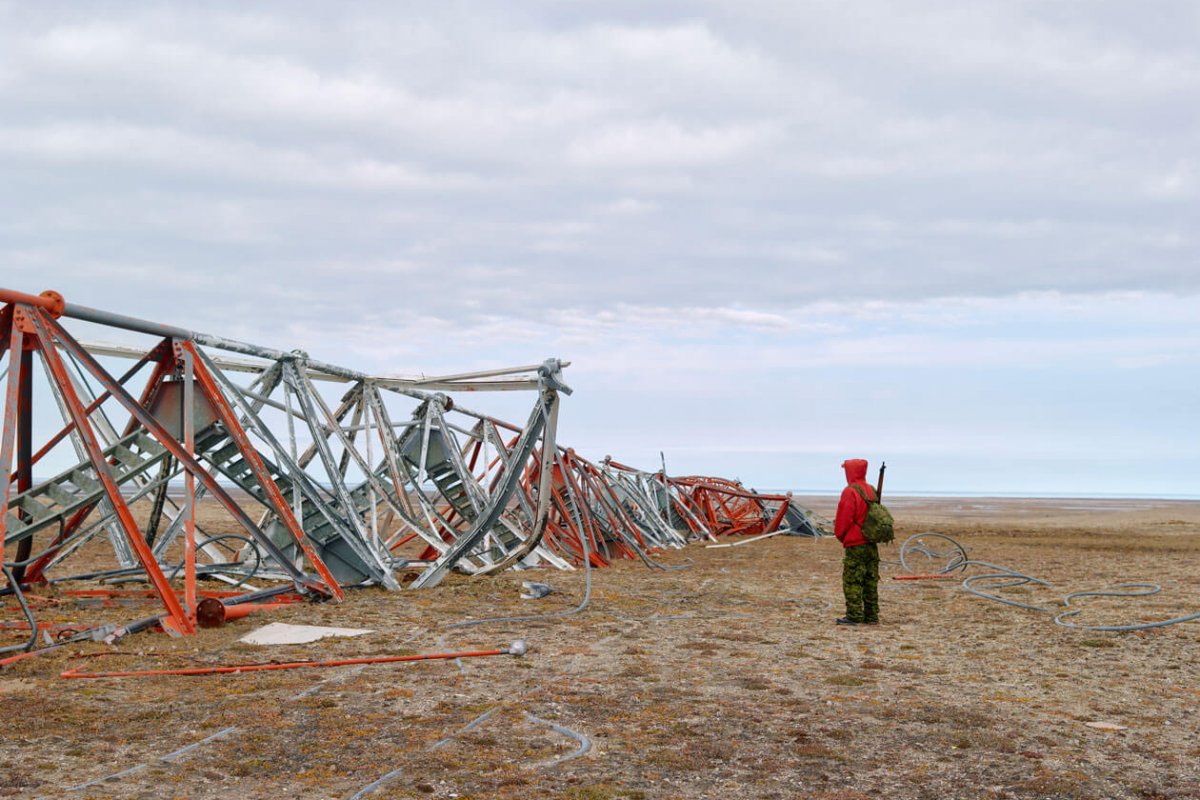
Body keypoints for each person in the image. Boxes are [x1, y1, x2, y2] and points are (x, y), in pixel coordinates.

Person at [834, 458, 879, 625]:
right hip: (871, 542)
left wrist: (841, 536)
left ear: (850, 472)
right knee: (870, 579)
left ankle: (854, 616)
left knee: (853, 579)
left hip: (856, 543)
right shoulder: (871, 490)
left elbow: (844, 519)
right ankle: (871, 615)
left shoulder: (850, 491)